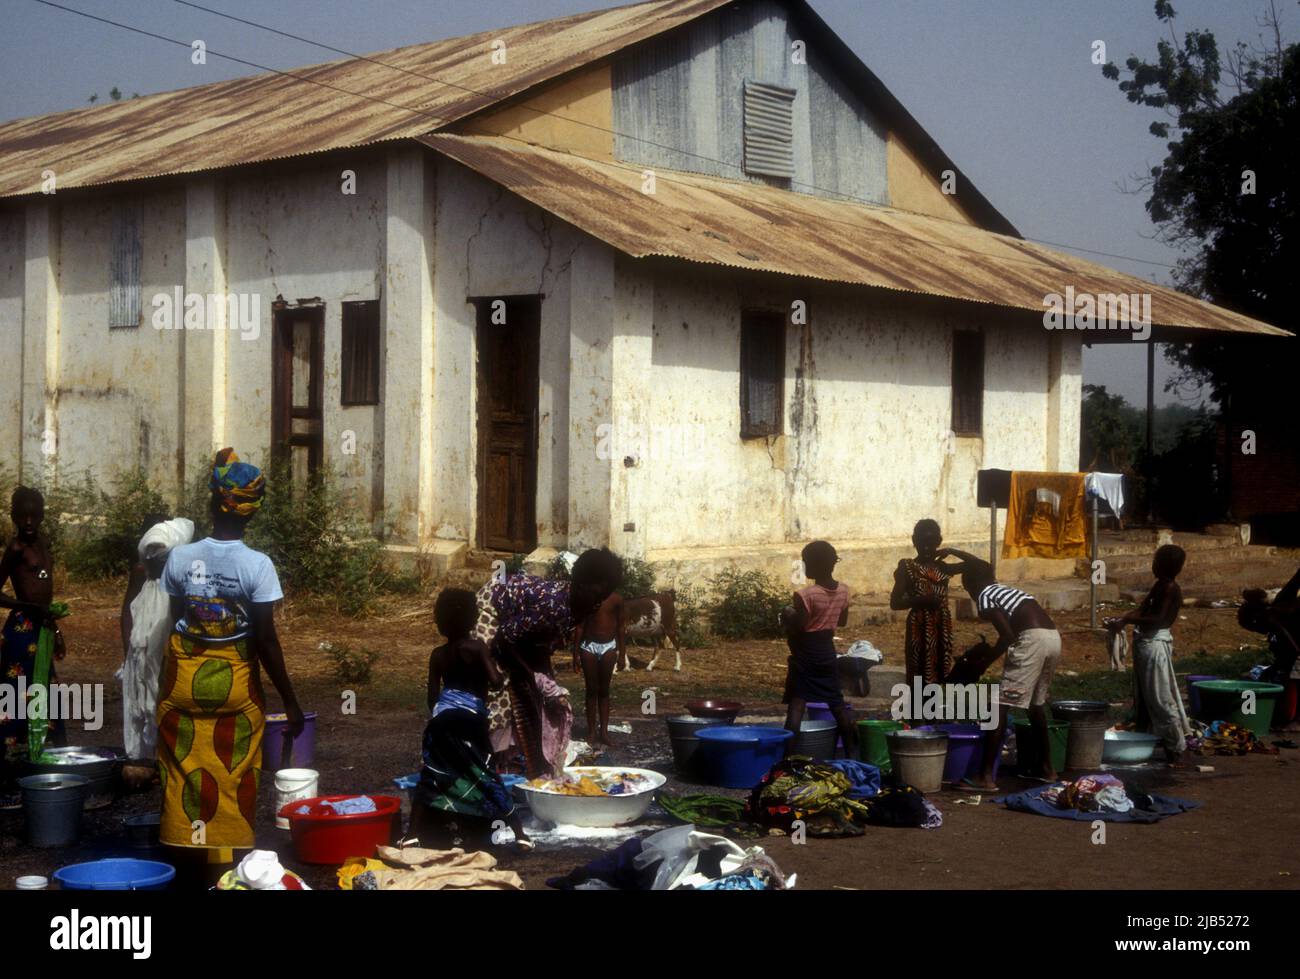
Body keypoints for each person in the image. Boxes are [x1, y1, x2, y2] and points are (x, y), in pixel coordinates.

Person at [158, 448, 303, 876]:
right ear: (251, 512)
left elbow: (172, 625)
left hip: (183, 682)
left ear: (212, 502)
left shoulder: (180, 558)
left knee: (183, 769)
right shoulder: (257, 566)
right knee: (233, 771)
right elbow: (266, 642)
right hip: (236, 689)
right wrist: (290, 702)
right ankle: (231, 870)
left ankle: (186, 860)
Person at [473, 548, 623, 776]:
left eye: (603, 598)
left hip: (512, 624)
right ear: (580, 583)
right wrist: (531, 676)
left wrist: (543, 682)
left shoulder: (579, 608)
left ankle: (516, 762)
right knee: (499, 690)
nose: (598, 604)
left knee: (535, 693)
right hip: (492, 608)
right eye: (596, 595)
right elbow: (504, 639)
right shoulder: (554, 604)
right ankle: (485, 764)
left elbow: (537, 643)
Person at [411, 588, 532, 852]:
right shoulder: (477, 648)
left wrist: (443, 717)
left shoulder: (437, 655)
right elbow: (496, 681)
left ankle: (411, 834)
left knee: (432, 773)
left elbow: (432, 697)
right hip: (471, 722)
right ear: (472, 618)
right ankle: (521, 834)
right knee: (486, 772)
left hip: (442, 721)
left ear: (440, 621)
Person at [943, 552, 1061, 789]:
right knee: (1035, 706)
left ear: (972, 585)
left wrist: (982, 664)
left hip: (1031, 641)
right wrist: (954, 551)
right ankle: (1047, 770)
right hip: (1053, 638)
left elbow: (1007, 636)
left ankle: (985, 777)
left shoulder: (985, 596)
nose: (970, 595)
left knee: (998, 707)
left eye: (968, 589)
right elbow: (980, 564)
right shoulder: (1006, 590)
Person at [118, 515, 194, 788]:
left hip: (169, 647)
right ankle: (143, 756)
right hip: (141, 648)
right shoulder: (142, 573)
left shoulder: (180, 578)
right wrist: (128, 653)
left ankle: (169, 756)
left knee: (166, 694)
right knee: (142, 696)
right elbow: (127, 611)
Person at [1105, 545, 1193, 764]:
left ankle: (1176, 747)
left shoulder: (1170, 588)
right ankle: (1143, 741)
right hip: (1146, 643)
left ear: (1162, 565)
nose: (1152, 564)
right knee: (1143, 698)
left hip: (1155, 644)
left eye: (1155, 561)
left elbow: (1159, 619)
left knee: (1160, 698)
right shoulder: (1160, 585)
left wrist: (1127, 620)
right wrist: (1122, 619)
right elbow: (1143, 610)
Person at [0, 487, 66, 777]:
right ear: (15, 517)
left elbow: (45, 595)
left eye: (33, 516)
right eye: (22, 516)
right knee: (17, 695)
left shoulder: (43, 543)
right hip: (21, 630)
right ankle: (11, 765)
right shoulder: (15, 549)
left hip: (43, 628)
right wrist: (25, 606)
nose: (28, 522)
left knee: (47, 691)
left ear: (41, 516)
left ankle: (45, 757)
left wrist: (56, 627)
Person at [780, 540, 857, 756]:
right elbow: (841, 622)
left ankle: (788, 757)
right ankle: (852, 753)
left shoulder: (805, 595)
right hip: (827, 652)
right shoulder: (843, 591)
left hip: (805, 654)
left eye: (805, 562)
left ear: (812, 565)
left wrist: (787, 616)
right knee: (836, 703)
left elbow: (800, 626)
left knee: (797, 704)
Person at [890, 519, 961, 690]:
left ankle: (933, 713)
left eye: (932, 543)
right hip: (919, 626)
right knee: (918, 672)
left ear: (939, 542)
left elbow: (981, 567)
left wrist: (951, 551)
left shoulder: (943, 567)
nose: (927, 548)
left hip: (942, 626)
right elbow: (895, 602)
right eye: (923, 543)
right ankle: (917, 713)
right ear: (915, 541)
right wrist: (921, 600)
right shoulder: (907, 567)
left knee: (940, 671)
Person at [573, 588, 624, 746]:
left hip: (609, 647)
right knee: (591, 690)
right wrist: (574, 654)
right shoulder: (587, 599)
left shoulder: (616, 599)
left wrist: (622, 654)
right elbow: (580, 627)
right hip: (589, 646)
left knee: (604, 690)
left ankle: (604, 732)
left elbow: (621, 627)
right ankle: (591, 732)